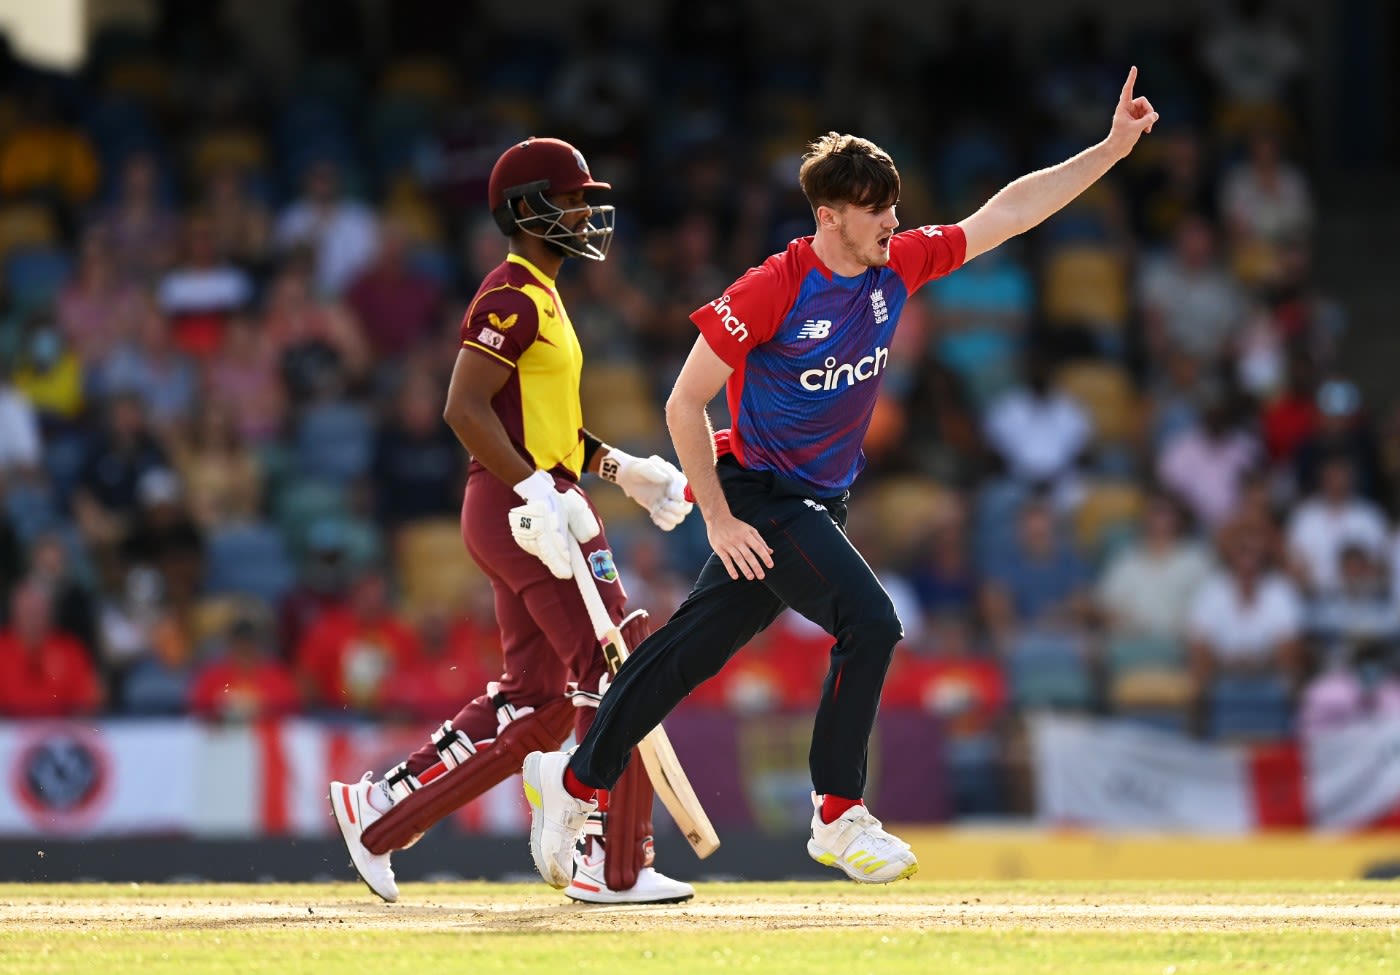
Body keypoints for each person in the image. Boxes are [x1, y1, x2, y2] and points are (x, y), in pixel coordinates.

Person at [522, 68, 1159, 889]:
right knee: (873, 621)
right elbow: (684, 403)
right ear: (830, 216)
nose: (895, 221)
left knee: (686, 653)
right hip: (758, 495)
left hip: (820, 501)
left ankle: (572, 782)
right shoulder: (774, 286)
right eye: (877, 211)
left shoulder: (900, 264)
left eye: (894, 207)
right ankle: (837, 812)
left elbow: (1008, 212)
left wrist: (1109, 148)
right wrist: (718, 518)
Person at [329, 137, 695, 905]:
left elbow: (547, 432)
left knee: (539, 699)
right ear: (528, 208)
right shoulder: (512, 296)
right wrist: (534, 490)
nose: (585, 212)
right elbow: (462, 409)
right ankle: (611, 859)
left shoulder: (544, 295)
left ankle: (381, 811)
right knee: (615, 667)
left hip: (531, 502)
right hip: (520, 507)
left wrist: (620, 469)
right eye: (570, 199)